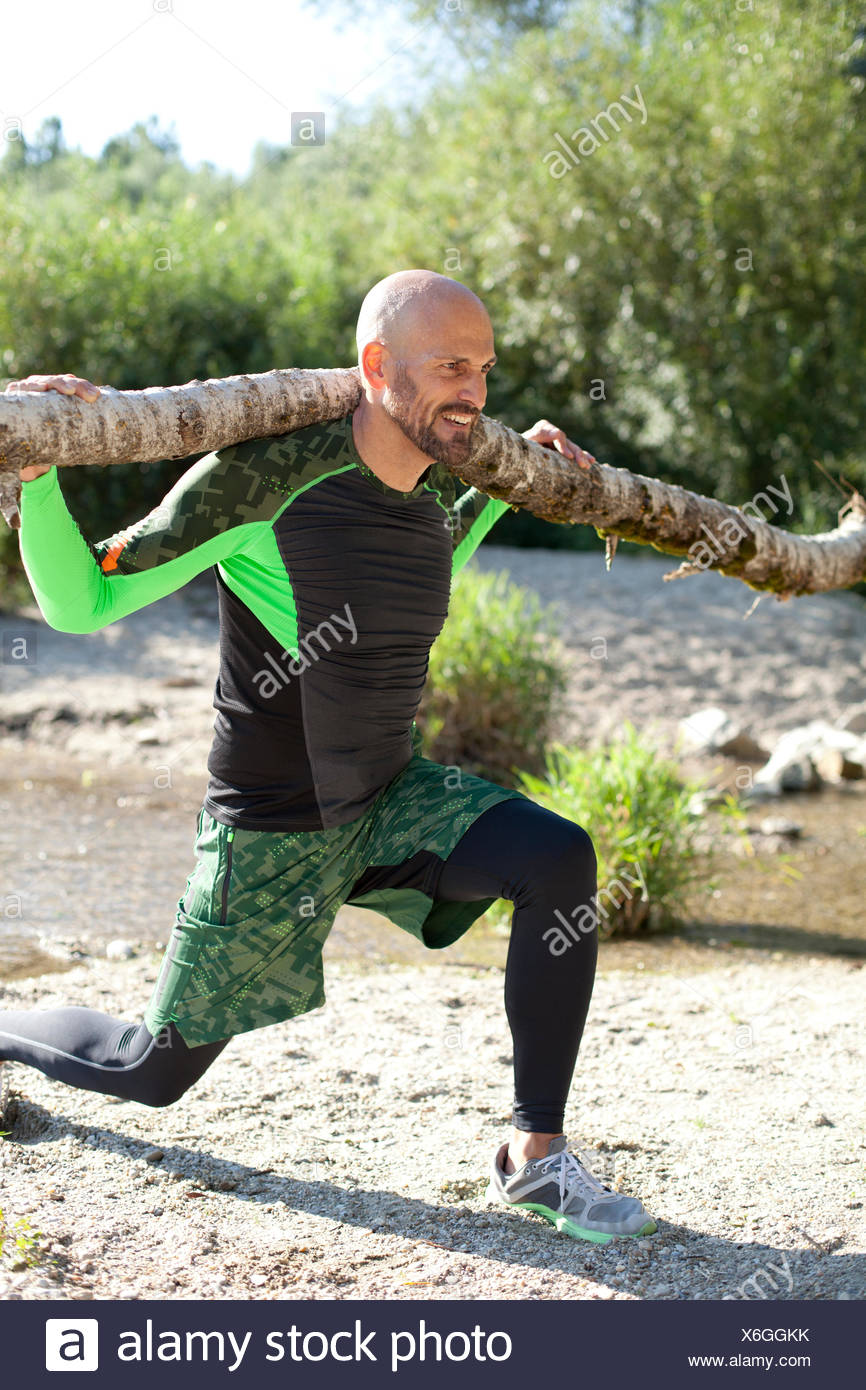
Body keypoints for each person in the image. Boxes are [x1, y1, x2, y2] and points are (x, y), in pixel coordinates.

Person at [0, 269, 656, 1243]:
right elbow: (80, 604)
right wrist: (40, 468)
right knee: (149, 1070)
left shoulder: (435, 481)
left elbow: (403, 580)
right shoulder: (260, 479)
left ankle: (536, 1158)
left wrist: (513, 490)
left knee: (556, 856)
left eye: (481, 366)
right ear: (377, 367)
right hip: (270, 832)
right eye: (448, 366)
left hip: (389, 798)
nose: (472, 390)